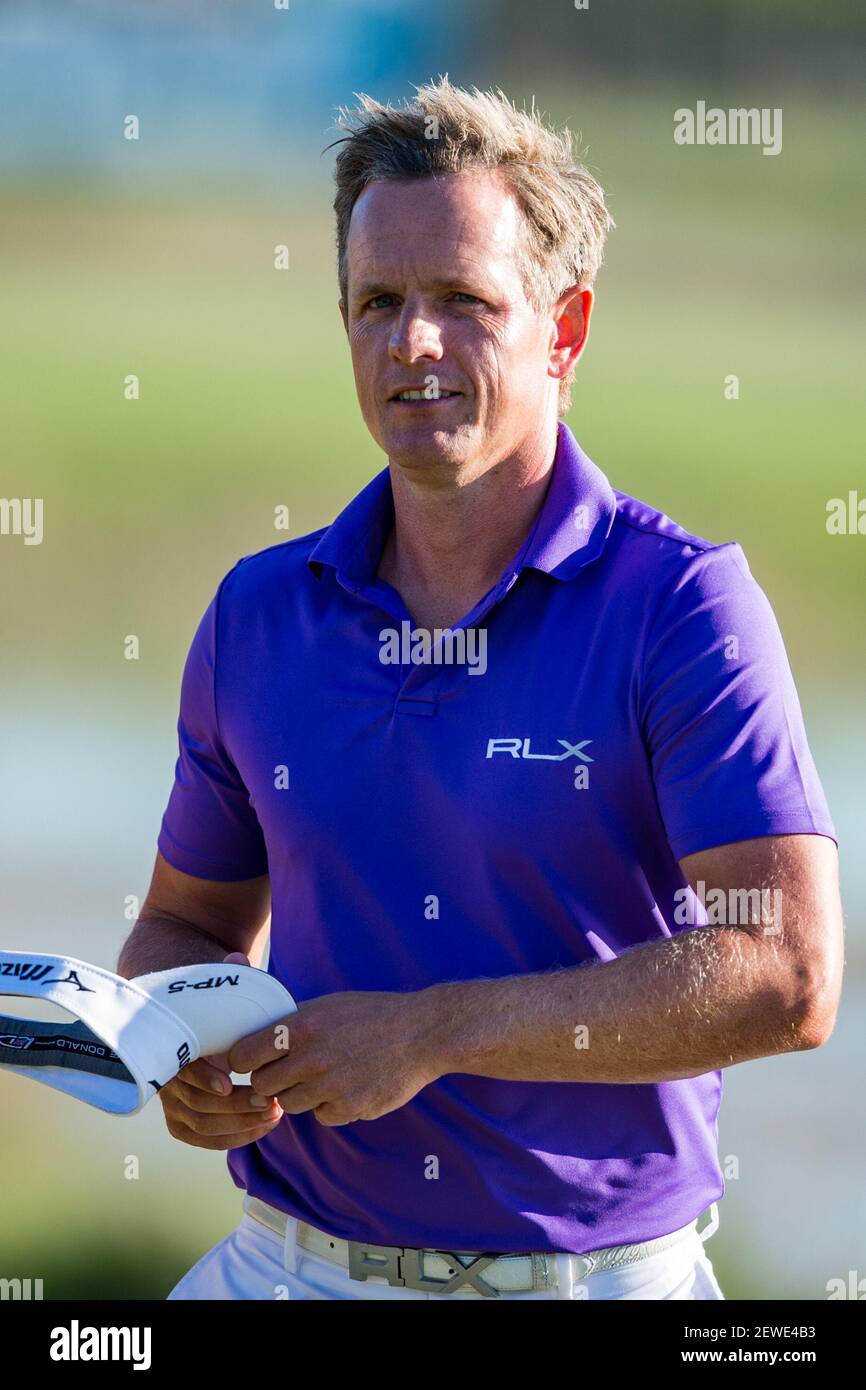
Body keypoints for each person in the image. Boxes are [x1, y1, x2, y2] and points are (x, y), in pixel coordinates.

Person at [117, 76, 843, 1301]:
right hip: (283, 1271)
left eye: (463, 302)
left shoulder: (682, 609)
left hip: (598, 1284)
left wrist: (430, 1030)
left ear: (562, 330)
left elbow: (787, 972)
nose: (412, 344)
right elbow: (184, 928)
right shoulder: (257, 612)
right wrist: (170, 1046)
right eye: (379, 303)